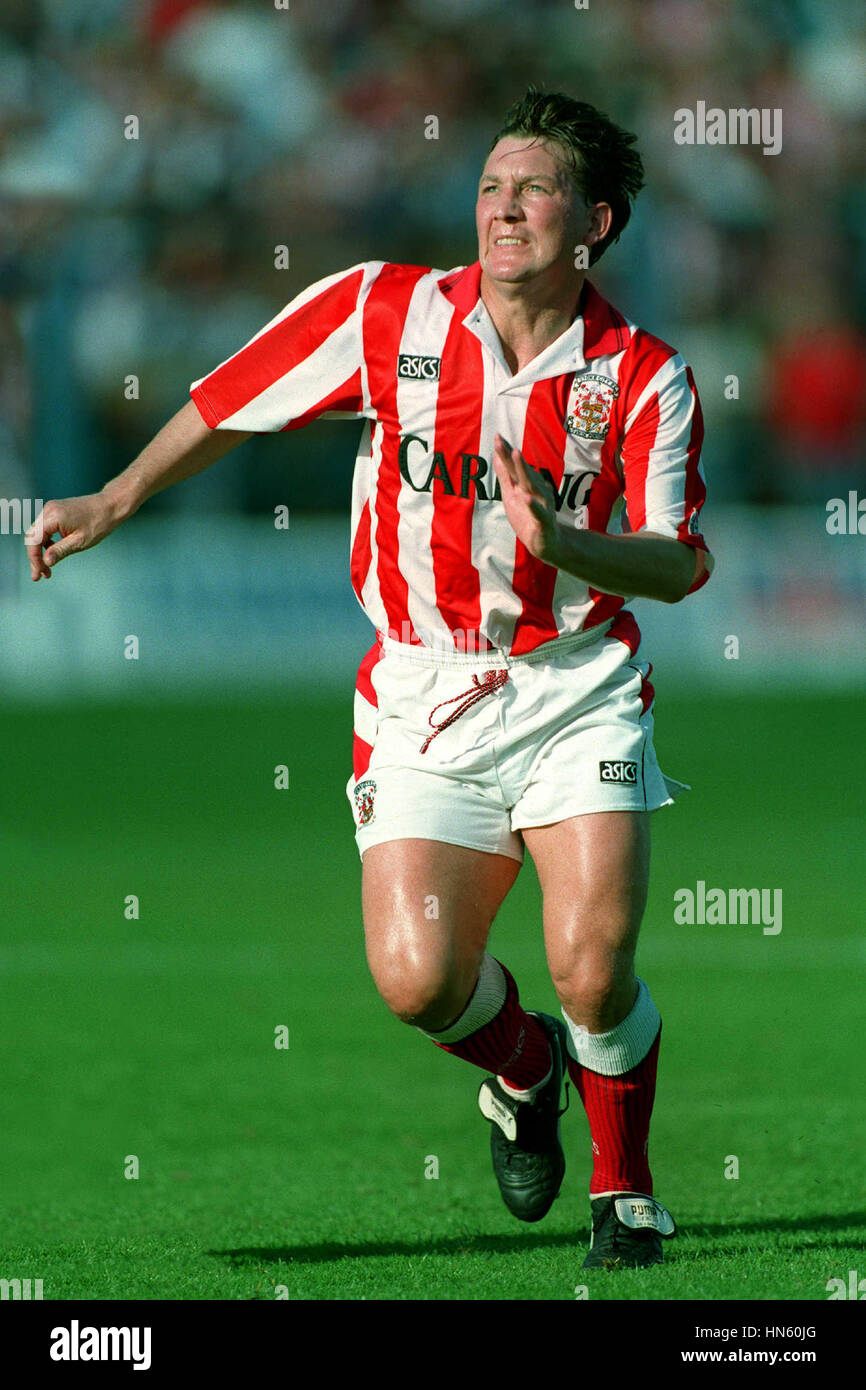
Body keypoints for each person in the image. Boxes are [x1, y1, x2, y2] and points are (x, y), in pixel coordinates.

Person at [26, 87, 711, 1270]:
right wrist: (115, 497)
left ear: (591, 221)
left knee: (591, 966)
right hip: (418, 688)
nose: (502, 208)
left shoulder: (644, 377)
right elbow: (234, 397)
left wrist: (566, 546)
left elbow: (680, 561)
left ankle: (625, 1191)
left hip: (571, 682)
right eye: (491, 185)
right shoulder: (381, 307)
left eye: (533, 189)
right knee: (415, 979)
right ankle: (525, 1067)